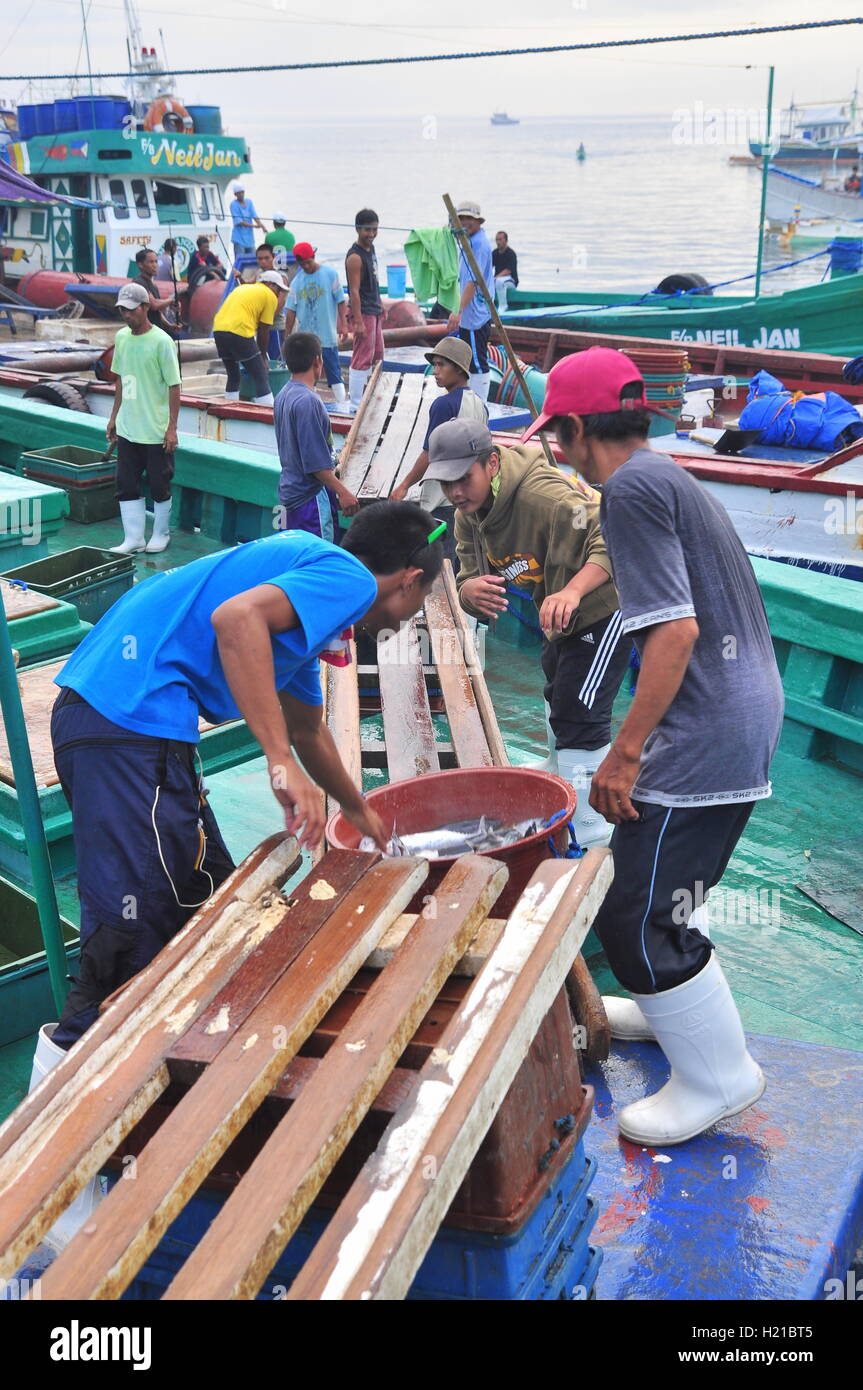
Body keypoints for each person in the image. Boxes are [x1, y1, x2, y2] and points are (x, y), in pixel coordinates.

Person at [48, 500, 446, 1051]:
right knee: (135, 913)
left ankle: (179, 1042)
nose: (407, 617)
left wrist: (356, 809)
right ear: (411, 578)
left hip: (119, 721)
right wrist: (277, 759)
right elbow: (236, 620)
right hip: (127, 720)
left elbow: (309, 730)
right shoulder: (348, 578)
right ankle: (71, 1064)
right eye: (421, 600)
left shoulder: (305, 611)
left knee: (204, 889)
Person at [524, 345, 784, 1146]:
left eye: (553, 436)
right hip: (736, 709)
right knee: (664, 893)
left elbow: (674, 631)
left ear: (573, 427)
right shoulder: (662, 472)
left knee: (634, 915)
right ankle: (676, 1016)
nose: (550, 450)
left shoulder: (627, 490)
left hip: (709, 726)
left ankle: (717, 1078)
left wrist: (624, 752)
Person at [423, 417, 630, 849]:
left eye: (464, 478)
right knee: (559, 693)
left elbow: (614, 535)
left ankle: (591, 832)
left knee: (581, 710)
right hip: (557, 615)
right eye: (446, 483)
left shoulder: (545, 498)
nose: (456, 492)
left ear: (492, 464)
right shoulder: (469, 516)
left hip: (606, 605)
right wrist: (468, 590)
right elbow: (467, 573)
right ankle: (562, 779)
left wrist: (573, 591)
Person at [105, 282, 180, 556]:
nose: (127, 315)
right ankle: (133, 537)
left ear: (146, 307)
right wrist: (114, 417)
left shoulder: (162, 342)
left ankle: (161, 534)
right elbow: (121, 380)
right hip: (128, 427)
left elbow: (174, 385)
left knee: (160, 484)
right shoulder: (122, 338)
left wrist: (171, 428)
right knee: (125, 483)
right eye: (122, 310)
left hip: (155, 430)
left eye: (131, 310)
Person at [273, 332, 359, 540]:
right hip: (308, 502)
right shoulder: (308, 401)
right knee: (317, 563)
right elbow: (315, 466)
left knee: (290, 557)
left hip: (285, 496)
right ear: (318, 360)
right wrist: (344, 492)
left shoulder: (282, 395)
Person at [391, 336, 487, 508]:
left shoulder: (444, 404)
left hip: (443, 498)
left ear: (458, 369)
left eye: (441, 364)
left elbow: (429, 453)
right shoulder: (480, 405)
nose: (435, 371)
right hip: (470, 497)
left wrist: (403, 486)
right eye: (434, 365)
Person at [285, 241, 349, 406]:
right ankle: (307, 403)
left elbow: (341, 301)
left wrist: (344, 324)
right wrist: (287, 336)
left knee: (334, 372)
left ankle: (342, 404)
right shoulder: (297, 282)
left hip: (327, 335)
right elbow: (290, 311)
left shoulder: (330, 274)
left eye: (308, 261)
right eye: (302, 263)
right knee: (306, 373)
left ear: (313, 257)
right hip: (306, 338)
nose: (306, 266)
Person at [212, 271, 287, 405]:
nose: (279, 293)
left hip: (219, 330)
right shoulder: (269, 295)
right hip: (240, 331)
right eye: (279, 289)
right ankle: (268, 413)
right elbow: (264, 331)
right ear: (270, 284)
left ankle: (230, 411)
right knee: (260, 375)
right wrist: (263, 357)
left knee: (233, 375)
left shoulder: (243, 288)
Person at [446, 200, 494, 404]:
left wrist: (457, 311)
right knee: (466, 359)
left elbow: (472, 284)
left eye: (469, 219)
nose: (465, 222)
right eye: (461, 218)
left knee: (476, 361)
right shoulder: (467, 241)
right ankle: (469, 401)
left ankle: (479, 404)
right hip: (469, 314)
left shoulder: (480, 245)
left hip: (475, 315)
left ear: (478, 221)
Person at [345, 208, 383, 412]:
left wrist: (381, 305)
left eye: (375, 229)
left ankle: (371, 397)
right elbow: (354, 291)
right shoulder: (355, 257)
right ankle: (355, 404)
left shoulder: (371, 249)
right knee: (361, 356)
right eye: (367, 230)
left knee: (377, 354)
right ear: (358, 229)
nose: (371, 234)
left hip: (374, 309)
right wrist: (358, 321)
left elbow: (374, 281)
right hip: (364, 311)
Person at [131, 247, 180, 335]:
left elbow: (157, 312)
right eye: (151, 262)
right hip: (145, 333)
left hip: (155, 331)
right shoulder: (139, 283)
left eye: (156, 261)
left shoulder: (153, 285)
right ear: (140, 265)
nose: (155, 265)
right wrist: (171, 300)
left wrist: (169, 325)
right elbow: (154, 305)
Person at [253, 243, 289, 359]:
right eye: (260, 259)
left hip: (275, 327)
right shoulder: (260, 275)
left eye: (266, 258)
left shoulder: (281, 276)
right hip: (261, 327)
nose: (263, 261)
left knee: (276, 361)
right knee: (263, 359)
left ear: (273, 258)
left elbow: (279, 303)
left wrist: (264, 320)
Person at [229, 183, 265, 263]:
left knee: (253, 260)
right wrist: (254, 226)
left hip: (249, 238)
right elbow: (239, 222)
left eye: (242, 192)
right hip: (239, 238)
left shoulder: (249, 202)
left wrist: (262, 226)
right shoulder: (233, 204)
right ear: (235, 194)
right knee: (240, 260)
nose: (241, 194)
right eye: (239, 193)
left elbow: (254, 215)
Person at [492, 230, 519, 312]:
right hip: (497, 280)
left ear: (506, 240)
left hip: (511, 281)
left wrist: (495, 278)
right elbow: (488, 267)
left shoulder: (511, 253)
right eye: (497, 240)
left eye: (500, 239)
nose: (498, 242)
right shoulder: (495, 253)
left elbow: (508, 270)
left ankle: (503, 306)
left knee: (499, 281)